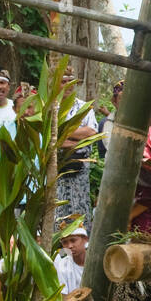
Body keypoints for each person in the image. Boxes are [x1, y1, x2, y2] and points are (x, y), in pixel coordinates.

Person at [56, 72, 100, 234]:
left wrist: (63, 131)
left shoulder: (83, 106)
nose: (67, 85)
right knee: (58, 209)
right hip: (56, 167)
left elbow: (91, 132)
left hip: (80, 165)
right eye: (63, 81)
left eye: (70, 81)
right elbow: (51, 140)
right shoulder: (51, 107)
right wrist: (76, 136)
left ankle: (82, 250)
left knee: (80, 207)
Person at [54, 226, 88, 294]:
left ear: (85, 239)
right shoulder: (61, 262)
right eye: (65, 242)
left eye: (73, 240)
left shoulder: (98, 256)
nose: (70, 246)